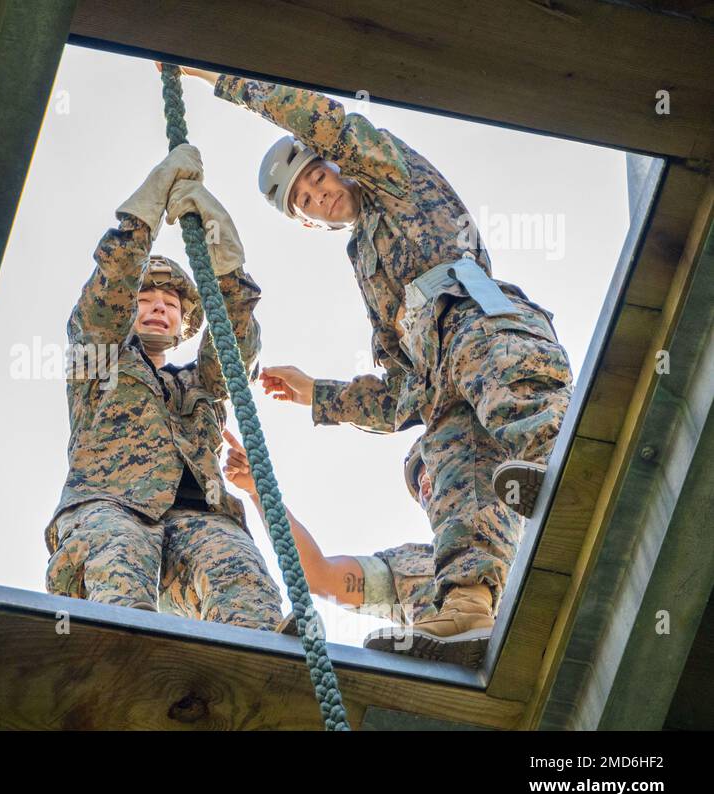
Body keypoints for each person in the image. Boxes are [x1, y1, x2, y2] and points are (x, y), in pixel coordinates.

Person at [172, 64, 573, 647]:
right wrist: (320, 393)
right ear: (308, 221)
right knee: (452, 465)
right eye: (306, 200)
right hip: (438, 382)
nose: (321, 194)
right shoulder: (365, 264)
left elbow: (319, 119)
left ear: (336, 163)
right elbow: (400, 394)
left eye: (317, 176)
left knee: (517, 398)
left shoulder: (389, 176)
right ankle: (468, 604)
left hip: (479, 323)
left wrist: (219, 76)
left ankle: (563, 470)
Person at [44, 144, 289, 632]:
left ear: (183, 325)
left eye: (171, 304)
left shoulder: (201, 385)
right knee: (120, 565)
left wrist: (224, 257)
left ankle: (263, 659)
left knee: (240, 571)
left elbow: (234, 339)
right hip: (111, 506)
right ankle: (123, 651)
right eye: (146, 298)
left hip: (198, 518)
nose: (158, 307)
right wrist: (150, 206)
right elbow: (110, 286)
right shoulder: (99, 361)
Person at [224, 432, 490, 667]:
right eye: (420, 485)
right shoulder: (414, 562)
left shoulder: (524, 509)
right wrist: (261, 493)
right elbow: (318, 575)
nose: (425, 487)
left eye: (433, 470)